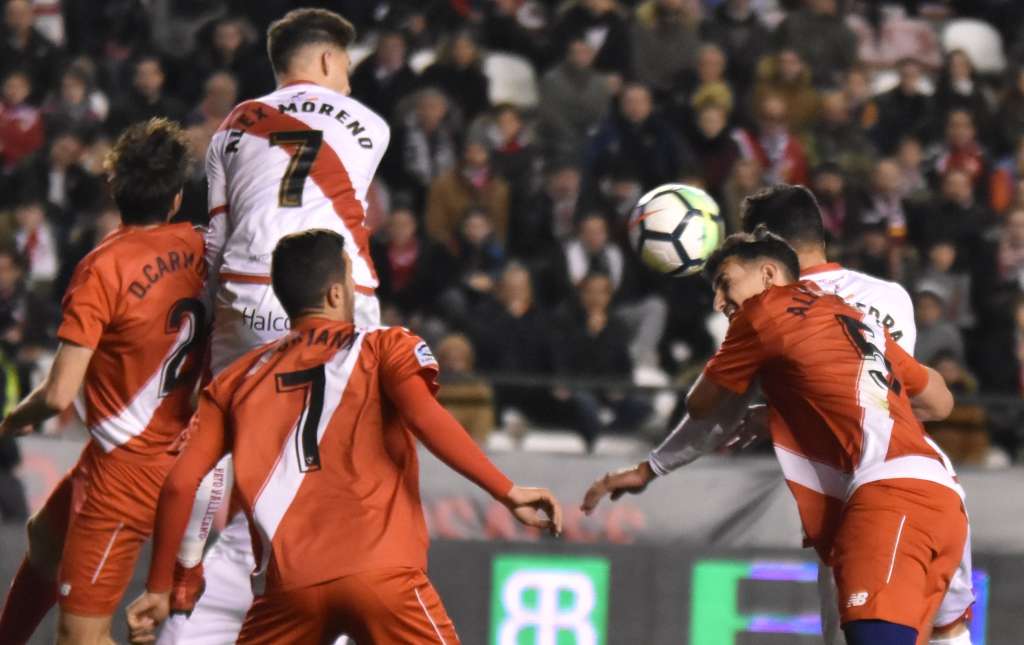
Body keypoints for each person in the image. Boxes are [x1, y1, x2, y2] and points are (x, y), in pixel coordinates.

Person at [126, 229, 562, 645]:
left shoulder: (235, 380)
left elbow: (181, 482)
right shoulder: (384, 347)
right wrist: (506, 491)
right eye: (350, 277)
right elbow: (427, 419)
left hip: (287, 590)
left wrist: (160, 586)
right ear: (337, 292)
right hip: (381, 574)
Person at [582, 185, 976, 645]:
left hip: (874, 498)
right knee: (949, 635)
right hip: (941, 491)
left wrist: (651, 467)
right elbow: (928, 402)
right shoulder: (873, 306)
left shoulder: (764, 312)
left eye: (727, 281)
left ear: (769, 258)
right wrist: (782, 410)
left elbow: (708, 408)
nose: (722, 302)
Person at [155, 9, 393, 644]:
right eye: (344, 65)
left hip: (246, 290)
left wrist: (209, 326)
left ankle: (185, 584)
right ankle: (334, 616)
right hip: (334, 300)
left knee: (225, 445)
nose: (347, 80)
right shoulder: (371, 125)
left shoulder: (231, 127)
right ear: (324, 62)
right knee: (338, 457)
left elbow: (218, 236)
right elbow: (342, 214)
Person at [0, 118, 206, 645]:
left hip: (129, 471)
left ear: (112, 186)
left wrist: (12, 420)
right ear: (177, 197)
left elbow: (58, 394)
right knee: (45, 539)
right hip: (174, 448)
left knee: (80, 638)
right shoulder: (206, 247)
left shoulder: (102, 268)